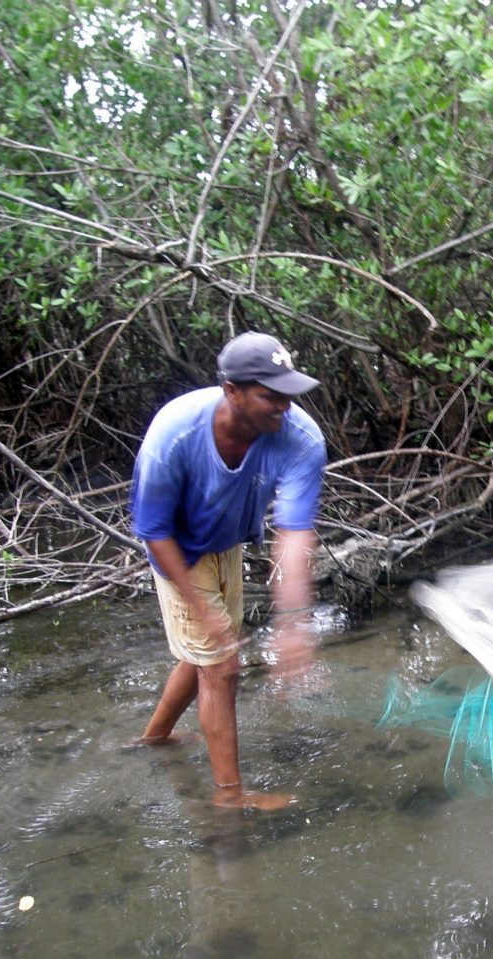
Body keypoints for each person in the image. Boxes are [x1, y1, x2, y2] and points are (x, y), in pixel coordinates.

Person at [129, 332, 327, 810]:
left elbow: (295, 533)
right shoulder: (173, 435)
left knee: (208, 646)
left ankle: (154, 738)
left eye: (289, 394)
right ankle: (230, 796)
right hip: (176, 547)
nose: (284, 406)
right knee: (222, 662)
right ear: (231, 390)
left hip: (226, 542)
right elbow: (154, 530)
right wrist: (201, 607)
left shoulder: (301, 440)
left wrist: (293, 622)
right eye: (270, 395)